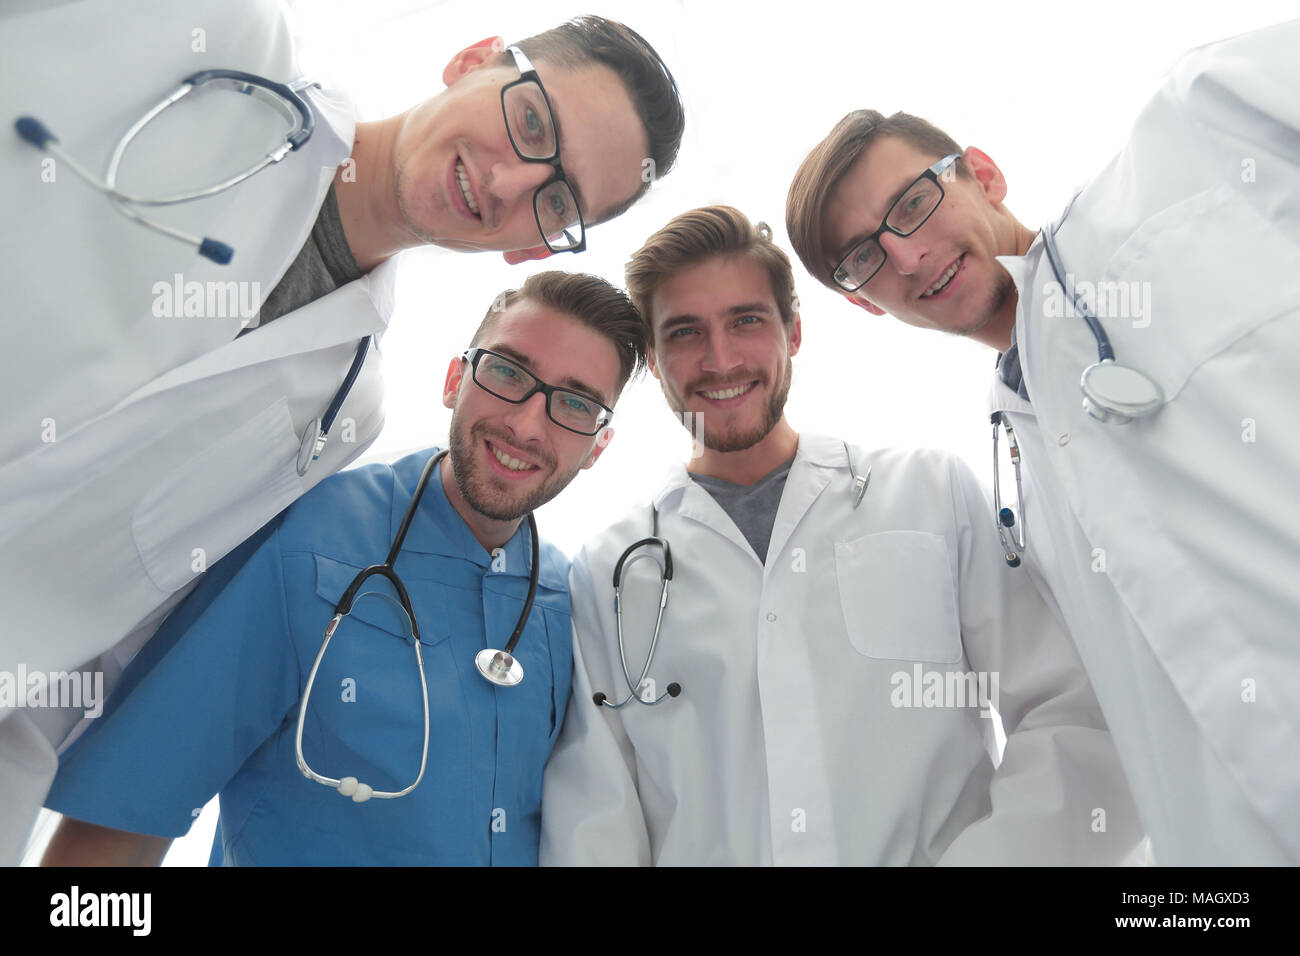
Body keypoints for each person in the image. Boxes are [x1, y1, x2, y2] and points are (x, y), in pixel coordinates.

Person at [0, 0, 683, 862]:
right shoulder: (217, 35)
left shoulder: (340, 415)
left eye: (555, 199)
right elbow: (124, 816)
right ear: (474, 57)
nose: (512, 181)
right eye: (531, 119)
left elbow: (96, 612)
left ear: (534, 247)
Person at [784, 20, 1300, 864]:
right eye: (866, 260)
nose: (908, 257)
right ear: (865, 304)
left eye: (912, 204)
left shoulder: (1193, 140)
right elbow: (1096, 723)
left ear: (983, 175)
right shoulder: (1015, 484)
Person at [539, 205, 1142, 866]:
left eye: (746, 320)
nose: (720, 359)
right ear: (652, 361)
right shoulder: (610, 571)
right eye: (684, 333)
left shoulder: (929, 493)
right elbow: (596, 823)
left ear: (793, 332)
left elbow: (1069, 717)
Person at [39, 271, 645, 866]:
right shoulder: (300, 540)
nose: (525, 423)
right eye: (508, 372)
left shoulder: (573, 607)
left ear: (597, 445)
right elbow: (124, 819)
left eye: (573, 403)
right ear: (455, 378)